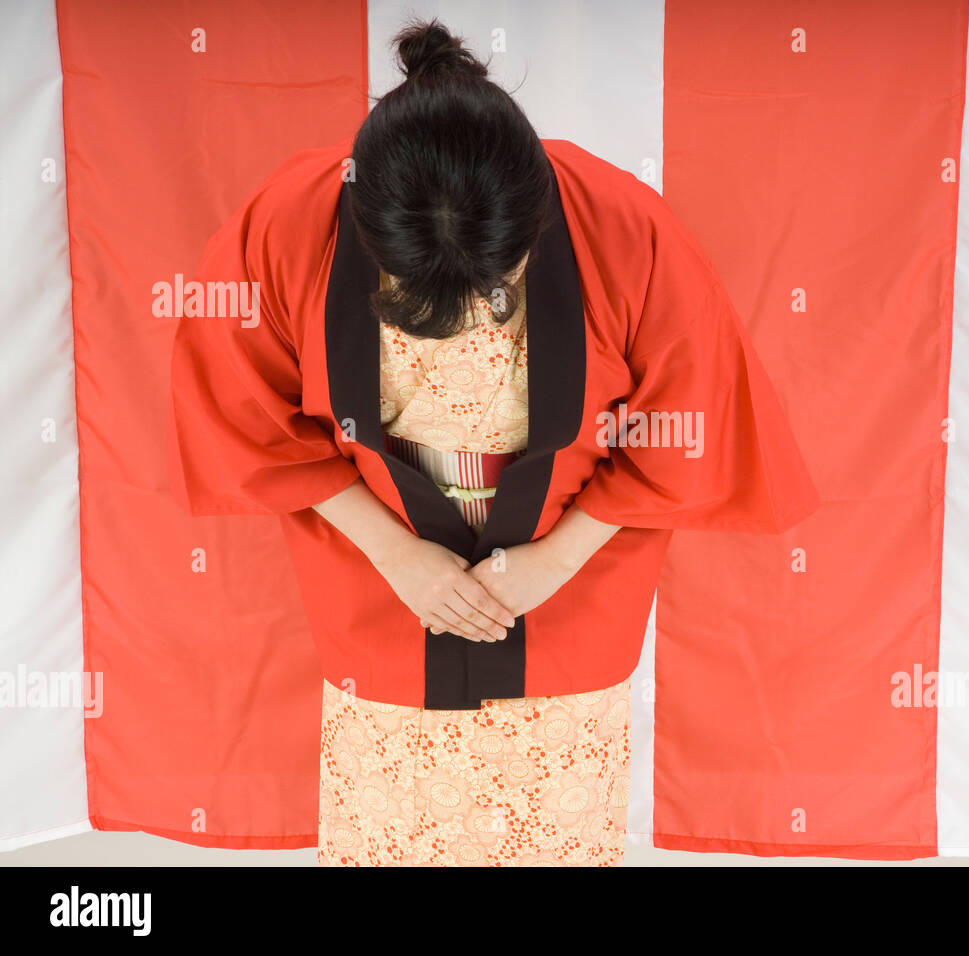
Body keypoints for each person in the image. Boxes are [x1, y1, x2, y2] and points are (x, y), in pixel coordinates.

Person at [168, 18, 819, 866]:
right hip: (376, 567)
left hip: (574, 566)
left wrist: (551, 563)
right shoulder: (290, 223)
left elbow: (687, 416)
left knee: (557, 821)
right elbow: (241, 405)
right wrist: (396, 554)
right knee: (387, 818)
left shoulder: (622, 226)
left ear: (535, 213)